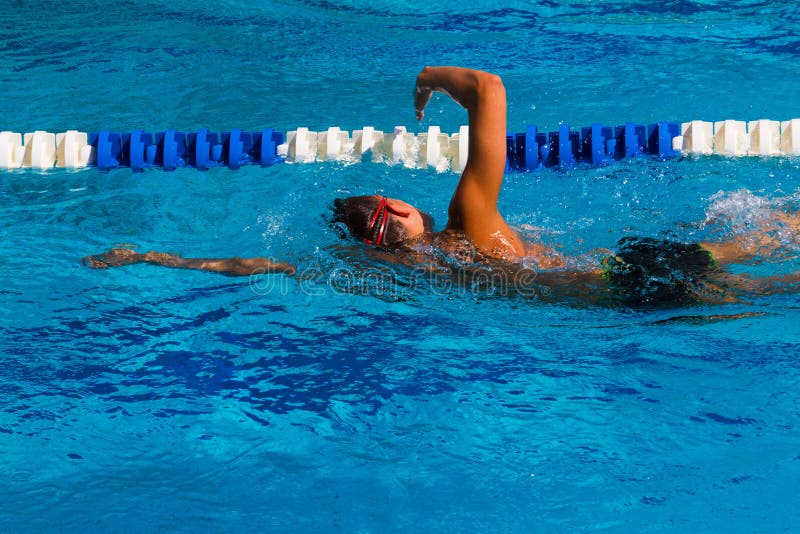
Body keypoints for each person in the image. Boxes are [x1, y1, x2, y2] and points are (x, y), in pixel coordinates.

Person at [84, 66, 800, 305]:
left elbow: (267, 265)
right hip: (624, 273)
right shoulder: (465, 224)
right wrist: (429, 78)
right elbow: (489, 89)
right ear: (396, 208)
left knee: (763, 275)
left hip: (621, 291)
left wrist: (157, 258)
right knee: (750, 241)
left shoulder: (412, 268)